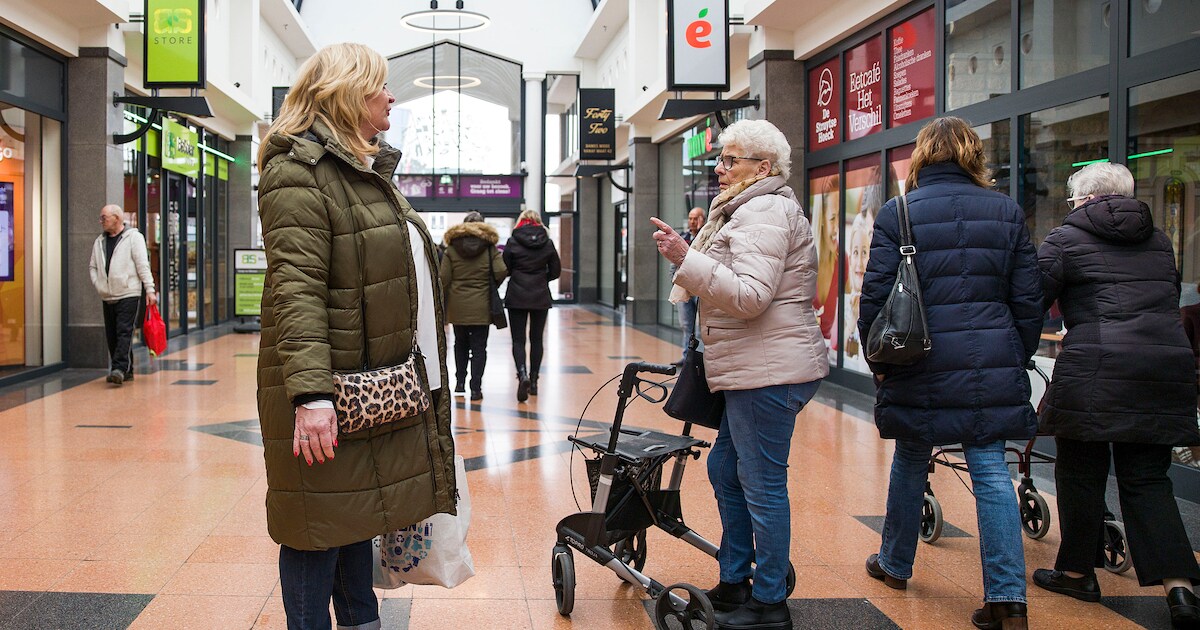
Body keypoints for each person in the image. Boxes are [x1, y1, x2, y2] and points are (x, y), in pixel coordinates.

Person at [255, 43, 457, 630]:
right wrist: (311, 398)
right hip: (331, 392)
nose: (391, 96)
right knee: (317, 530)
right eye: (381, 86)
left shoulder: (362, 169)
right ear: (347, 91)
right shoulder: (298, 172)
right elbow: (296, 291)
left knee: (355, 519)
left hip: (367, 388)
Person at [857, 117, 1042, 630]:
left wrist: (879, 364)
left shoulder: (900, 212)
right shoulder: (1006, 211)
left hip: (920, 359)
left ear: (921, 156)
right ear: (971, 154)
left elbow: (875, 296)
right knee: (991, 472)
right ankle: (1008, 601)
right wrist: (1014, 351)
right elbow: (1028, 299)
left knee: (912, 455)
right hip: (990, 360)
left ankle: (894, 563)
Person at [651, 118, 828, 630]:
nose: (720, 168)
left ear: (763, 167)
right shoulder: (746, 209)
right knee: (726, 470)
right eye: (720, 159)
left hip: (769, 370)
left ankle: (769, 602)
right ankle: (735, 581)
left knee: (762, 483)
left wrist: (688, 258)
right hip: (755, 366)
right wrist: (689, 256)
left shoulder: (765, 209)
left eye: (731, 159)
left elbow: (751, 297)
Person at [1033, 161, 1200, 629]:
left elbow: (1033, 302)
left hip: (1096, 368)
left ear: (1085, 200)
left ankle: (1076, 572)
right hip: (1163, 366)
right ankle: (1180, 590)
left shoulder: (1064, 240)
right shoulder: (1160, 241)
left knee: (1082, 471)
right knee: (1148, 478)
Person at [441, 211, 506, 401]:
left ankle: (459, 383)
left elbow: (443, 278)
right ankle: (476, 388)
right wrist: (491, 284)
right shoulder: (489, 249)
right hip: (482, 306)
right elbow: (502, 271)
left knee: (459, 344)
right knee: (479, 348)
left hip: (457, 306)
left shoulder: (451, 249)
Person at [89, 204, 157, 386]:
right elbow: (93, 267)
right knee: (112, 335)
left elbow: (143, 265)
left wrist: (150, 289)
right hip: (107, 294)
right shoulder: (99, 242)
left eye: (104, 218)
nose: (101, 221)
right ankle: (127, 371)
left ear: (117, 218)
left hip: (129, 293)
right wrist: (99, 285)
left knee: (124, 331)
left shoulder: (134, 238)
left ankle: (118, 368)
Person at [502, 208, 560, 402]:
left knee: (518, 340)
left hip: (517, 295)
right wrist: (542, 279)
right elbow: (556, 271)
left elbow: (506, 268)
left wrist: (518, 275)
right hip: (540, 296)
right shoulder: (548, 242)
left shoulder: (512, 241)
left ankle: (522, 374)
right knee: (536, 339)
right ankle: (534, 381)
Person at [674, 207, 706, 362]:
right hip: (684, 287)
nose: (692, 221)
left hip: (700, 288)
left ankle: (700, 359)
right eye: (690, 218)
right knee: (687, 324)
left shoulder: (706, 237)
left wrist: (701, 230)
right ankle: (687, 357)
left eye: (696, 218)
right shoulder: (683, 237)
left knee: (701, 327)